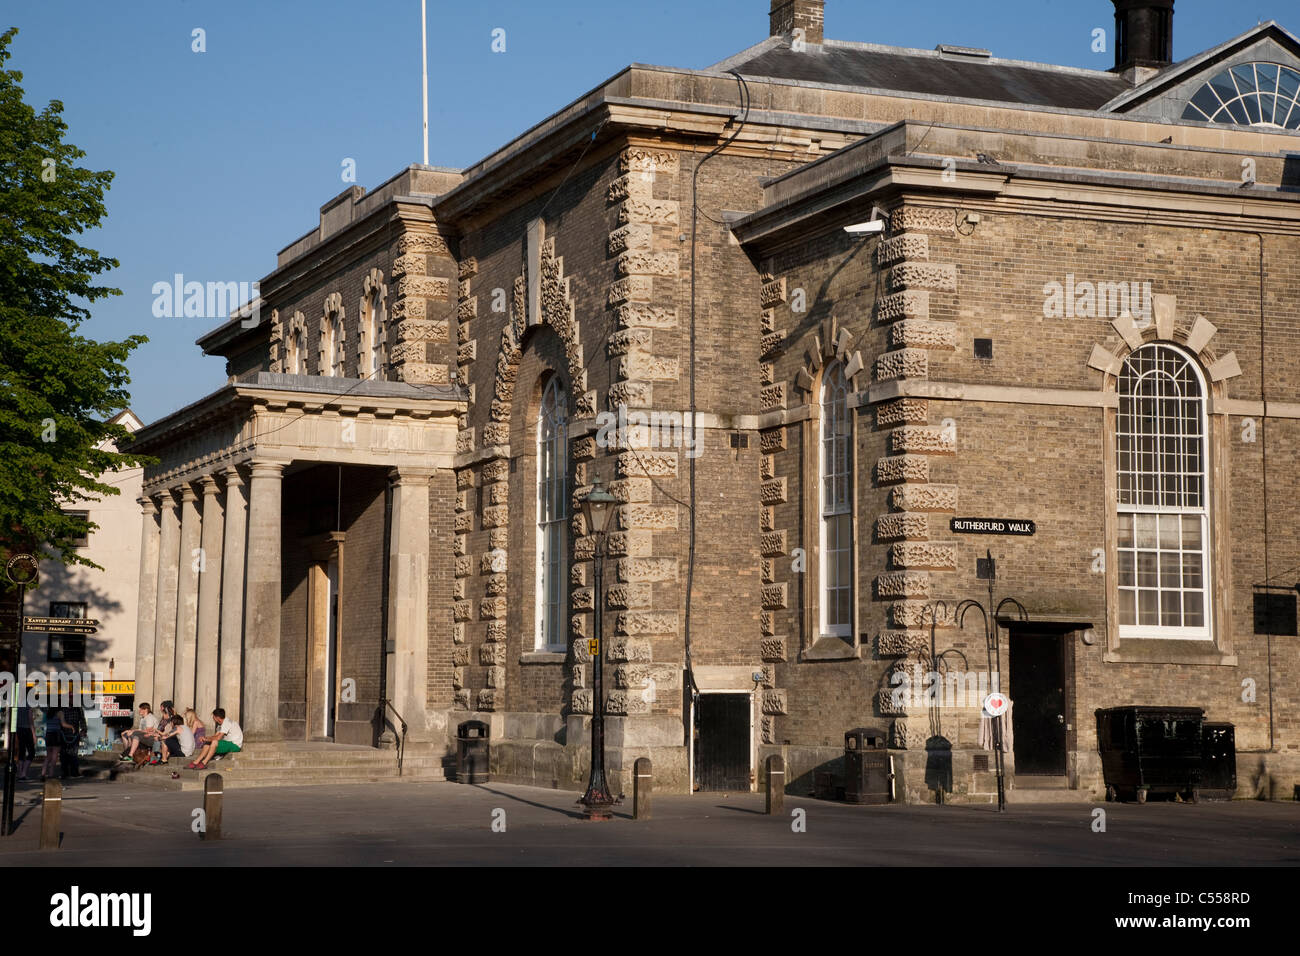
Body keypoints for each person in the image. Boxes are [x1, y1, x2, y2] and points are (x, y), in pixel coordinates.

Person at [59, 706, 83, 779]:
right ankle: (65, 773)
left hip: (75, 735)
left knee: (74, 754)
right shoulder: (62, 708)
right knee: (63, 755)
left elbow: (82, 719)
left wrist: (84, 730)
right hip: (64, 735)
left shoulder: (78, 709)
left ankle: (74, 773)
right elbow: (60, 721)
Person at [14, 704, 35, 782]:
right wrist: (34, 734)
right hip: (27, 730)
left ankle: (20, 774)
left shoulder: (16, 705)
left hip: (19, 729)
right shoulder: (28, 705)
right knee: (31, 752)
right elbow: (30, 720)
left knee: (21, 752)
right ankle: (23, 774)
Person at [41, 707, 63, 780]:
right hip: (56, 734)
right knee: (54, 757)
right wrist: (71, 727)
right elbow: (63, 724)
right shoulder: (59, 713)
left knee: (48, 756)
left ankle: (43, 773)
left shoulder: (48, 712)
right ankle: (51, 774)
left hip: (48, 734)